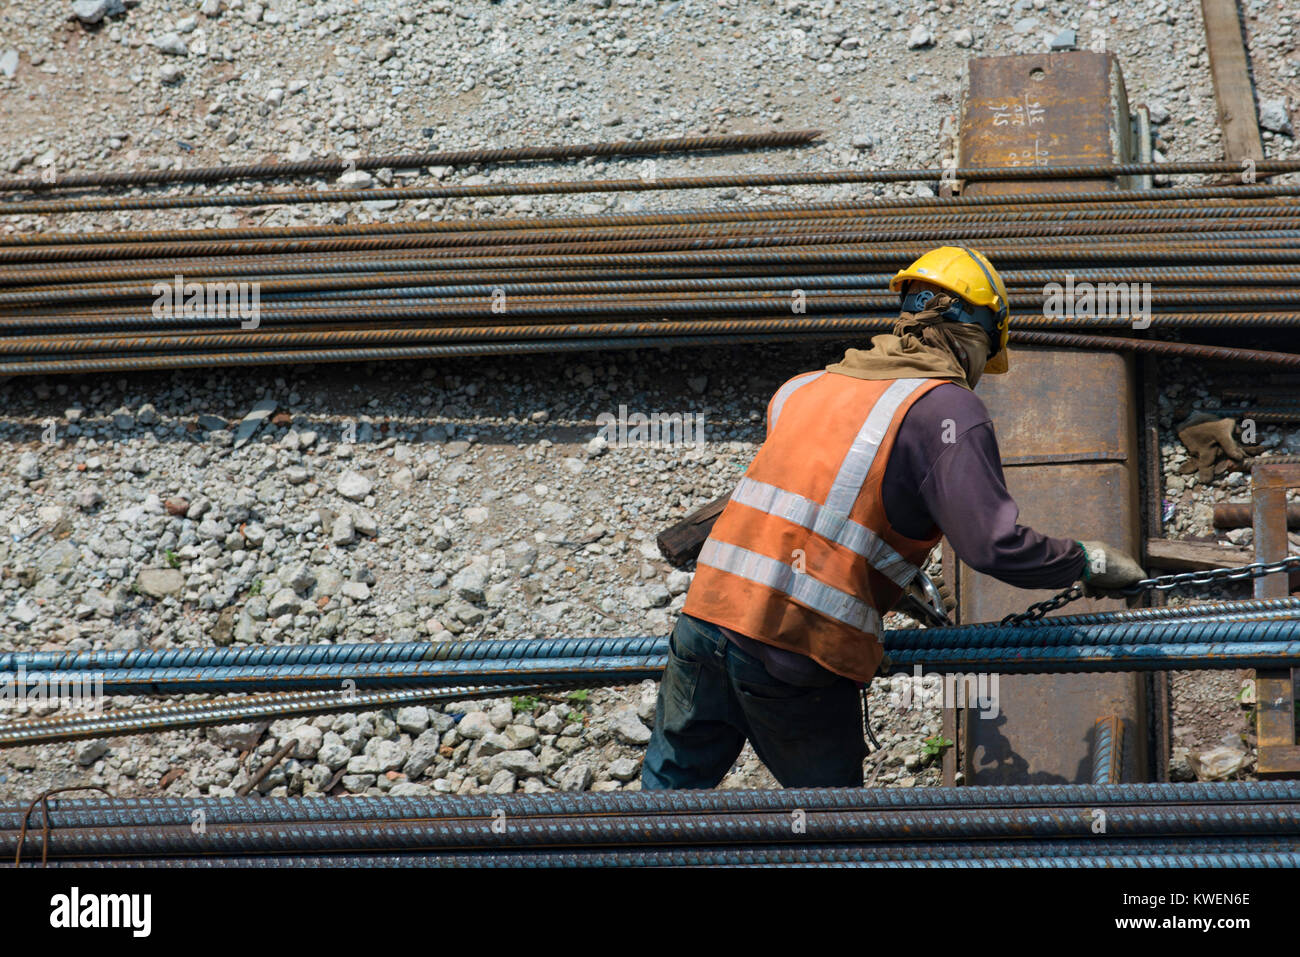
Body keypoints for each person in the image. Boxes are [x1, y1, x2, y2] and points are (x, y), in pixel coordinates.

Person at [642, 245, 1146, 790]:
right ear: (974, 332)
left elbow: (815, 509)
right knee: (829, 824)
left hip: (704, 624)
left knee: (666, 802)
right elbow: (992, 544)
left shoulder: (804, 388)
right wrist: (1084, 561)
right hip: (795, 649)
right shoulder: (947, 408)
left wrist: (884, 584)